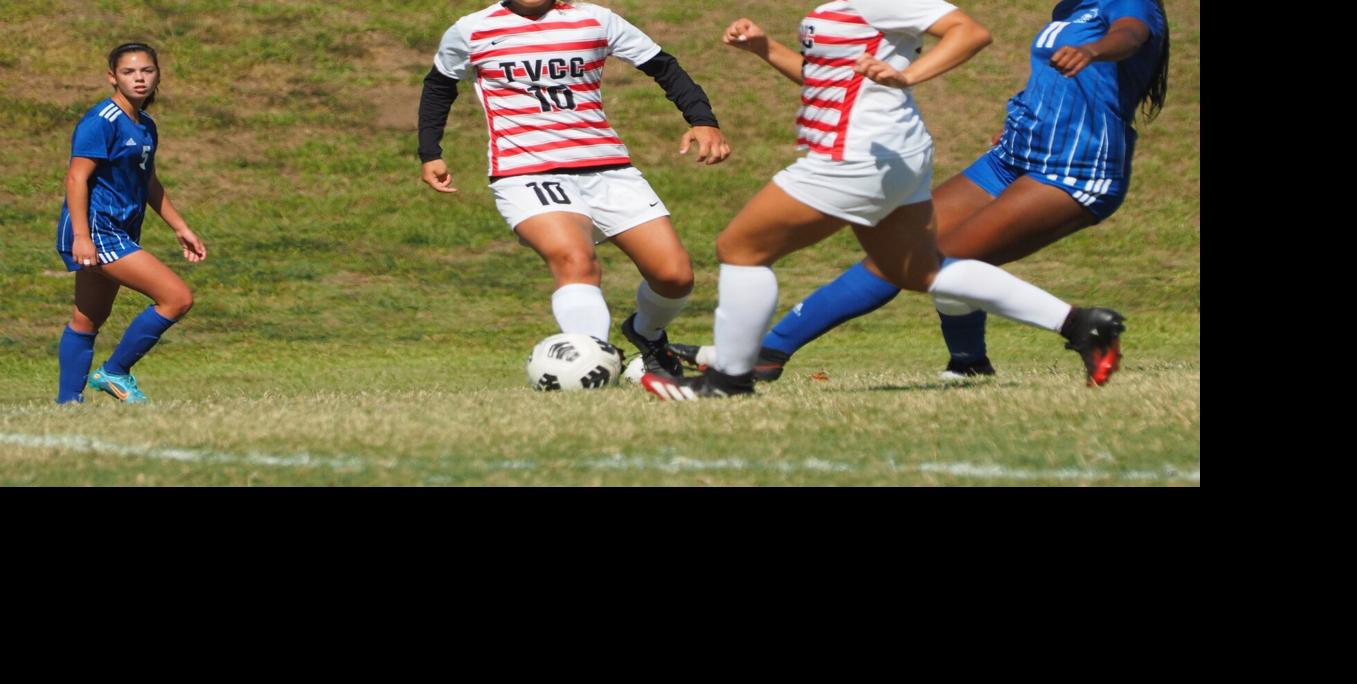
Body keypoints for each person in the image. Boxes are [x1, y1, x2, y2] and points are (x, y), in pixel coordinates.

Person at [642, 1, 1125, 400]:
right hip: (890, 153)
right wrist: (765, 49)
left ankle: (728, 380)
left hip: (854, 154)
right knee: (921, 272)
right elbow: (827, 77)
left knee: (741, 247)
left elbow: (969, 32)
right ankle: (1083, 325)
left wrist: (909, 76)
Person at [417, 0, 732, 376]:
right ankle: (595, 366)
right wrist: (429, 151)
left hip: (609, 169)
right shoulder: (472, 29)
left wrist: (702, 119)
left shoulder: (594, 19)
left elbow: (661, 64)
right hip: (527, 172)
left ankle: (646, 334)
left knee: (674, 276)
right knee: (575, 260)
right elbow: (439, 85)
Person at [56, 43, 206, 405]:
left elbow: (148, 181)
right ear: (112, 77)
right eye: (128, 72)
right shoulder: (101, 121)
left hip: (117, 230)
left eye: (146, 71)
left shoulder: (146, 125)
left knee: (87, 320)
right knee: (177, 298)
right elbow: (76, 179)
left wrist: (179, 226)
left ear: (157, 76)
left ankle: (67, 405)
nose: (139, 78)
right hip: (96, 230)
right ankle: (114, 372)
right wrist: (82, 237)